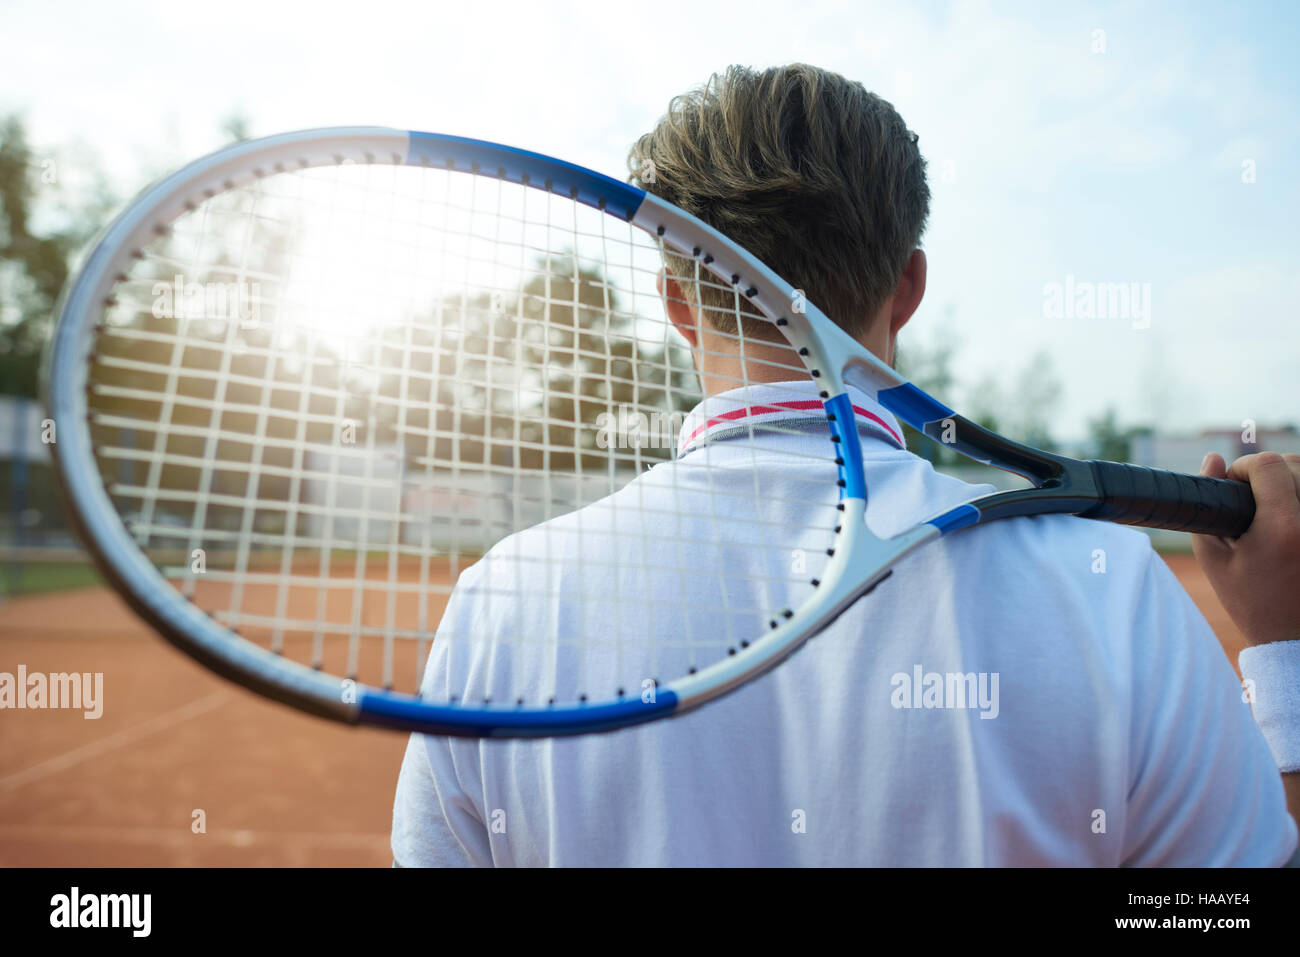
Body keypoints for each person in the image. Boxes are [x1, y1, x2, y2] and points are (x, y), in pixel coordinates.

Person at [391, 63, 1300, 866]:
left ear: (674, 300)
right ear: (909, 286)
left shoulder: (500, 605)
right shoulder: (1110, 593)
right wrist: (1288, 654)